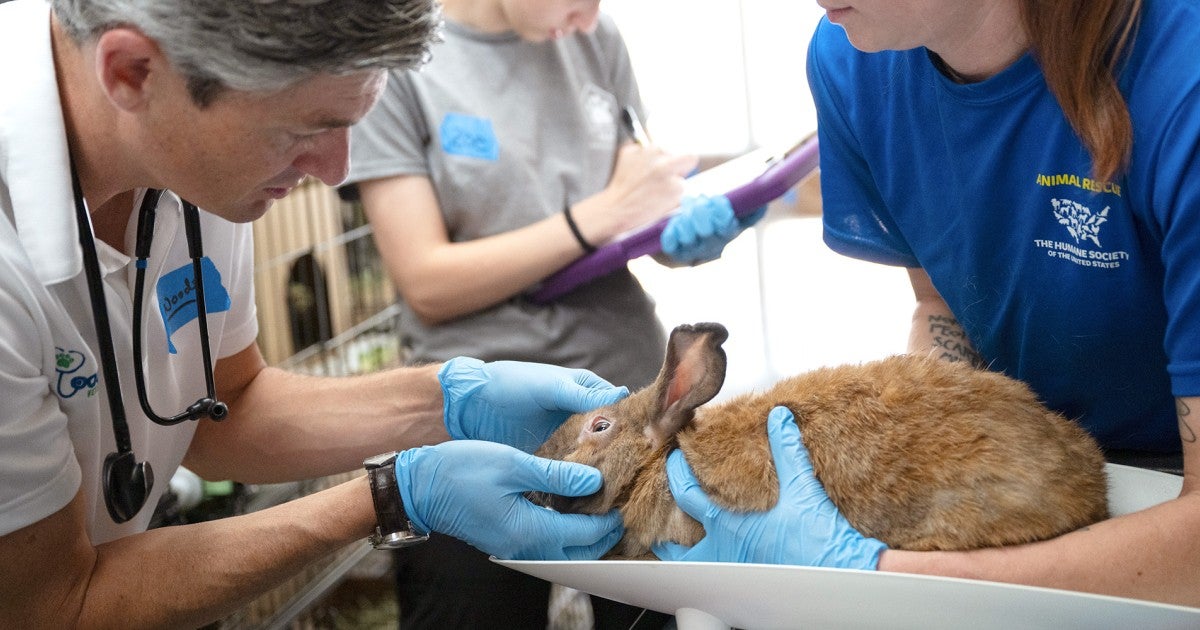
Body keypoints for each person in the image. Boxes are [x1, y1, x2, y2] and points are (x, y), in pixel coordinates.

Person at [0, 0, 648, 626]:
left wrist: (446, 401)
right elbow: (52, 605)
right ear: (133, 72)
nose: (335, 172)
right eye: (304, 130)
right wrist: (389, 497)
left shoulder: (192, 156)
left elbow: (229, 407)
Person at [654, 0, 1200, 609]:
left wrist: (881, 572)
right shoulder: (857, 59)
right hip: (1035, 471)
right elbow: (942, 303)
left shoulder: (1181, 72)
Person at [343, 0, 760, 626]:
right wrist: (598, 217)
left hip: (622, 409)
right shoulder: (399, 60)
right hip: (475, 421)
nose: (591, 16)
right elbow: (427, 279)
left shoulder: (595, 38)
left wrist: (679, 233)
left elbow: (632, 206)